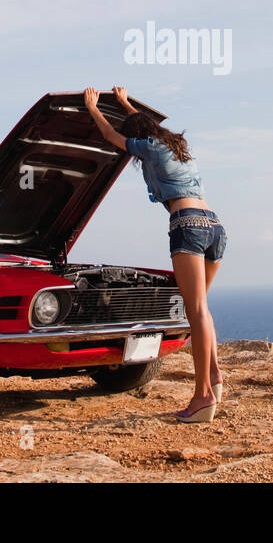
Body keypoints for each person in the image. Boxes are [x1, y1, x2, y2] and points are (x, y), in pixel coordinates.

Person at [83, 86, 226, 423]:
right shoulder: (178, 149)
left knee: (195, 310)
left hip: (187, 224)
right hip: (215, 225)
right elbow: (138, 123)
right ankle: (215, 379)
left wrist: (93, 107)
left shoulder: (147, 147)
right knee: (202, 308)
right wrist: (123, 101)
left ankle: (203, 396)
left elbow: (109, 134)